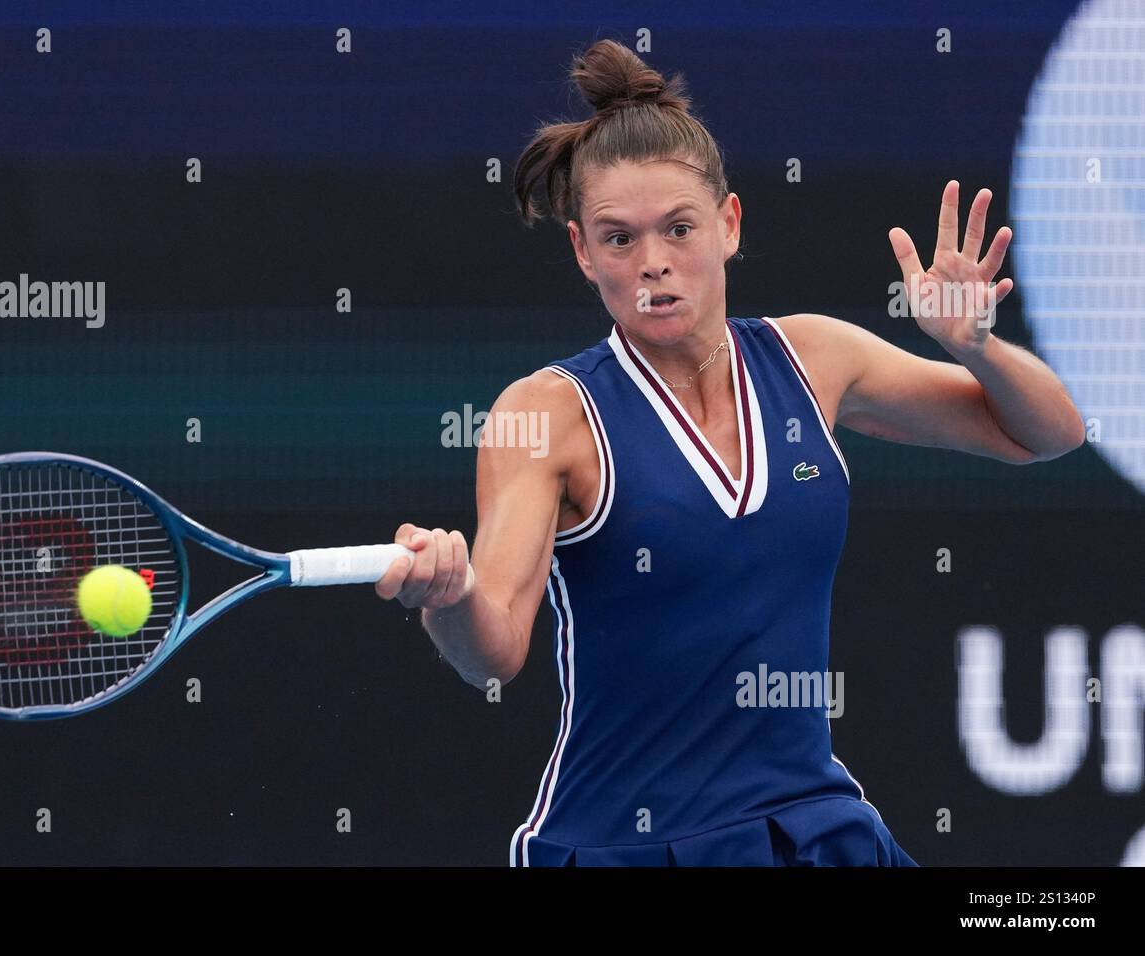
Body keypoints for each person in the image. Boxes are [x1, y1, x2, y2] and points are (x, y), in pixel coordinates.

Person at [374, 39, 1085, 866]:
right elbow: (489, 650)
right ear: (581, 252)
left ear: (730, 224)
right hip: (627, 845)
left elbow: (1048, 433)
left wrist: (978, 346)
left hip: (814, 828)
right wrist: (448, 594)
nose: (653, 265)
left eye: (679, 228)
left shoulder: (815, 358)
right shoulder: (545, 414)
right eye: (618, 239)